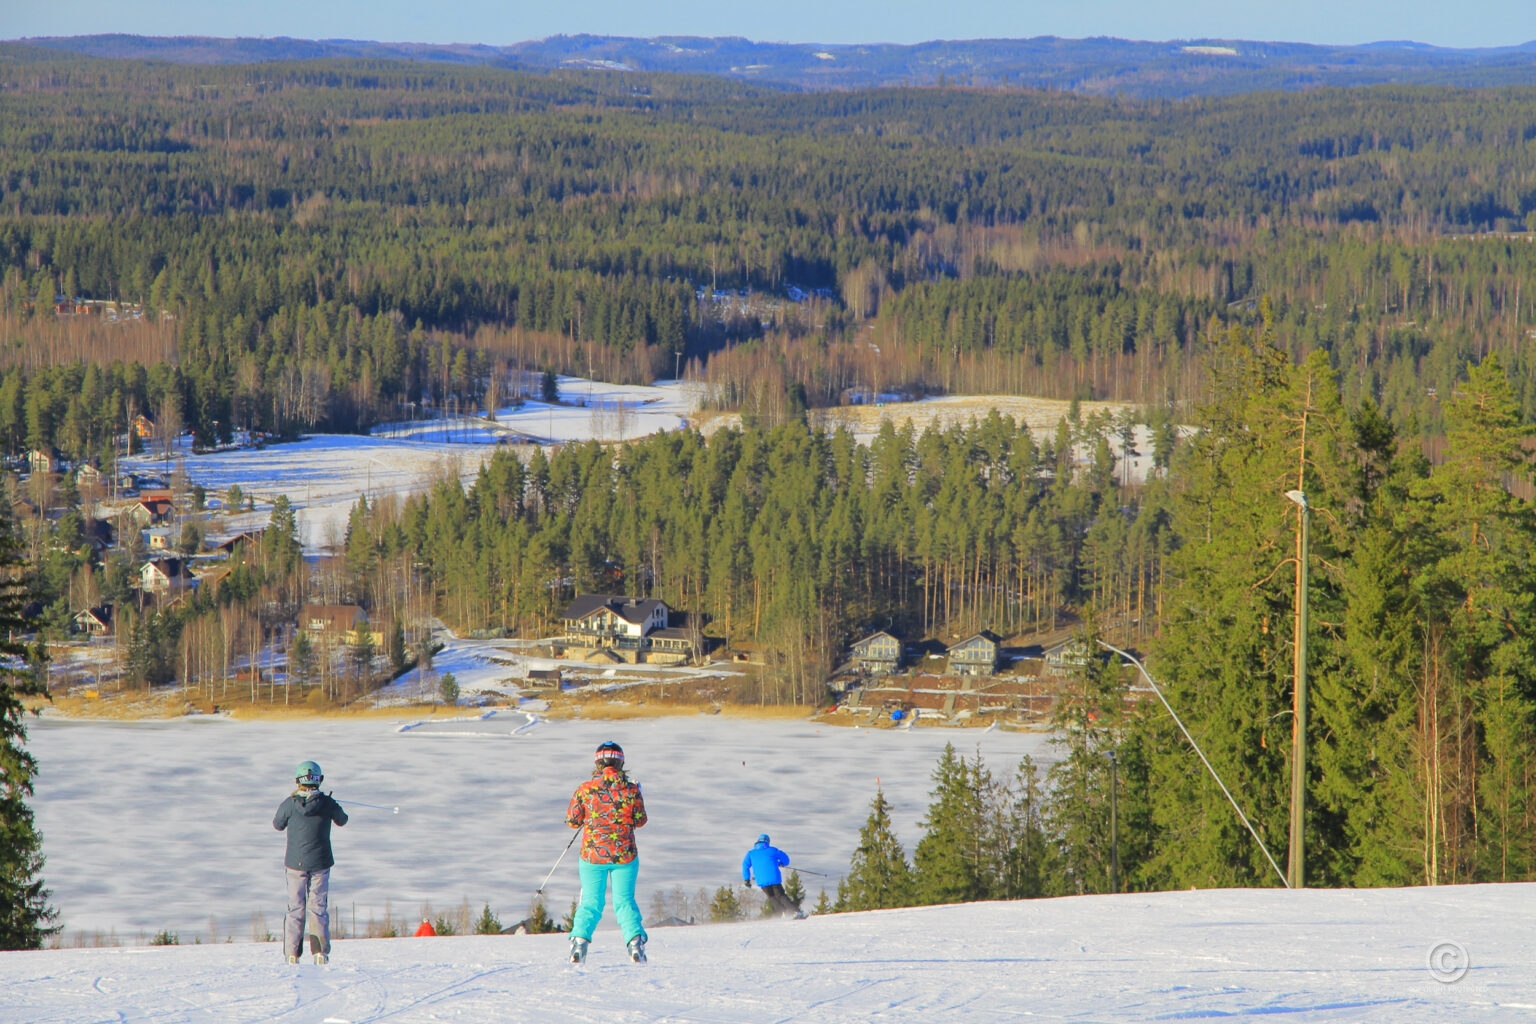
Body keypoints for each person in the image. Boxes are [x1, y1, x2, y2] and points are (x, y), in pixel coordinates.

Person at [565, 741, 648, 964]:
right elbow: (640, 821)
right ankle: (635, 943)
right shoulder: (631, 790)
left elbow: (572, 821)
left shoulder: (585, 789)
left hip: (592, 856)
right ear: (620, 762)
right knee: (624, 902)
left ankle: (579, 943)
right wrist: (637, 795)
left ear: (598, 763)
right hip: (625, 855)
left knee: (591, 901)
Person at [273, 760, 348, 965]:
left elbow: (277, 824)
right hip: (320, 863)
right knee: (318, 907)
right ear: (319, 780)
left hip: (295, 864)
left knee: (295, 908)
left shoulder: (289, 804)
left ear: (298, 781)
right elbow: (343, 820)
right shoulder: (327, 803)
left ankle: (292, 954)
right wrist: (330, 804)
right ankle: (320, 953)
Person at [742, 833, 802, 918]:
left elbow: (745, 865)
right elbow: (786, 859)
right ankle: (795, 911)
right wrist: (780, 863)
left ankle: (782, 914)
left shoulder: (751, 853)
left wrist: (746, 879)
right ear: (767, 841)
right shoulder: (773, 850)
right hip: (774, 878)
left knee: (771, 896)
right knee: (781, 895)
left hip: (761, 880)